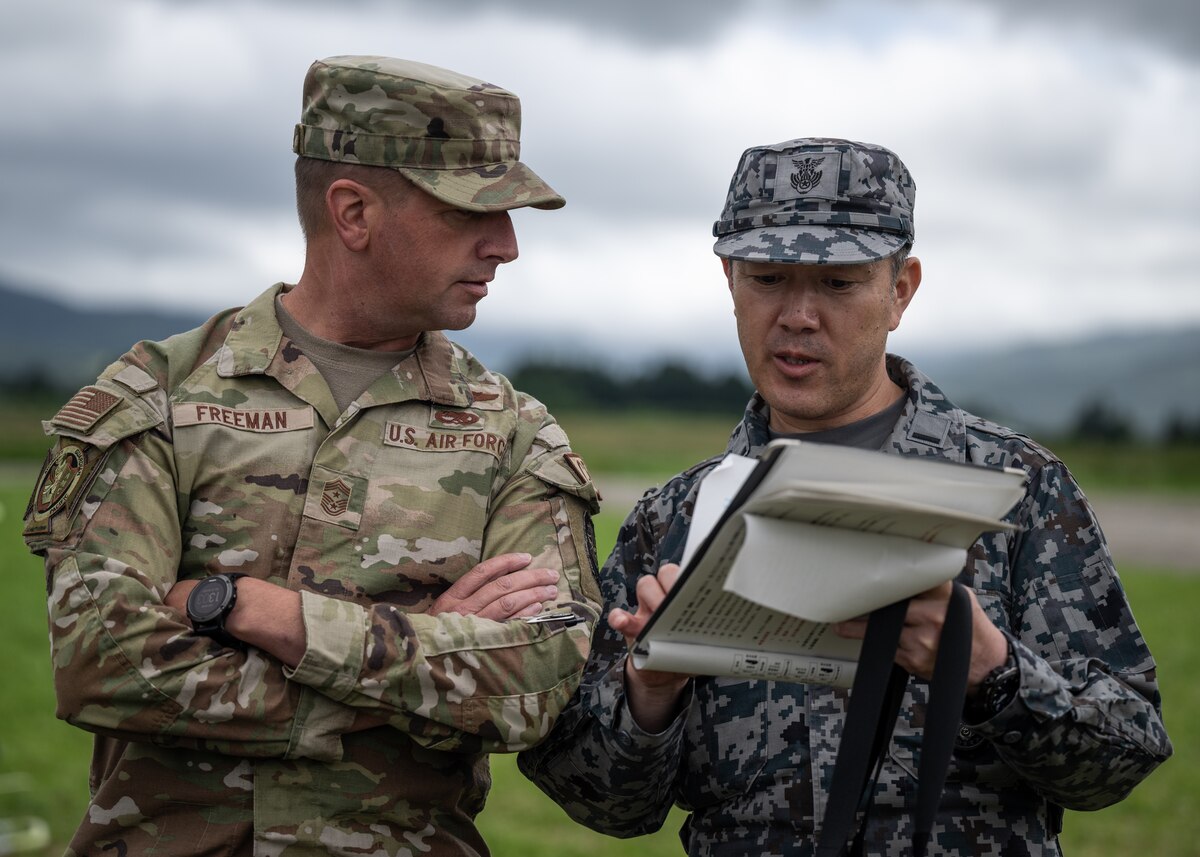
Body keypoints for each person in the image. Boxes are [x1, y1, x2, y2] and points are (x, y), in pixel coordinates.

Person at [518, 138, 1173, 856]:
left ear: (901, 289)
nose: (799, 315)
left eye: (838, 283)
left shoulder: (1016, 491)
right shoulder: (671, 520)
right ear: (728, 279)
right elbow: (598, 800)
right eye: (768, 277)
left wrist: (992, 671)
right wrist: (652, 690)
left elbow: (1125, 753)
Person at [23, 55, 602, 856]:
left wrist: (261, 614)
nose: (505, 245)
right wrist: (419, 644)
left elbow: (540, 681)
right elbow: (101, 658)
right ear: (354, 212)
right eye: (469, 213)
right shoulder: (157, 397)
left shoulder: (514, 434)